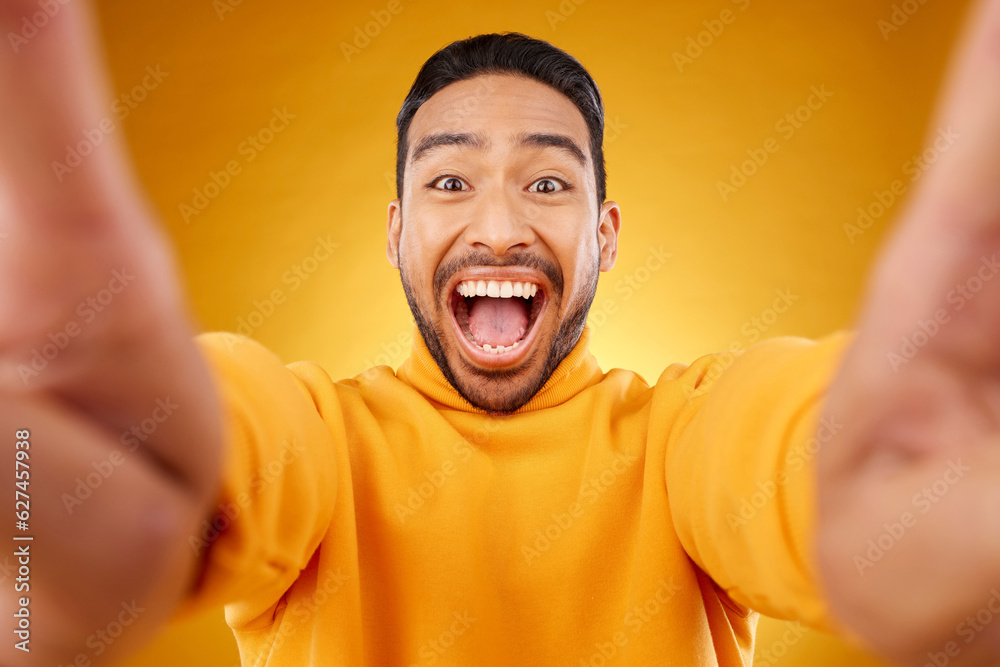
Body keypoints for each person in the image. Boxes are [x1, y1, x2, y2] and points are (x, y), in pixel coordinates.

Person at [3, 0, 1000, 665]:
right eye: (449, 181)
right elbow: (247, 444)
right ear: (396, 232)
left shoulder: (681, 439)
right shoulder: (322, 441)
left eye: (548, 183)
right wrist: (145, 466)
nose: (497, 227)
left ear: (605, 235)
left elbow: (767, 445)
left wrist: (872, 478)